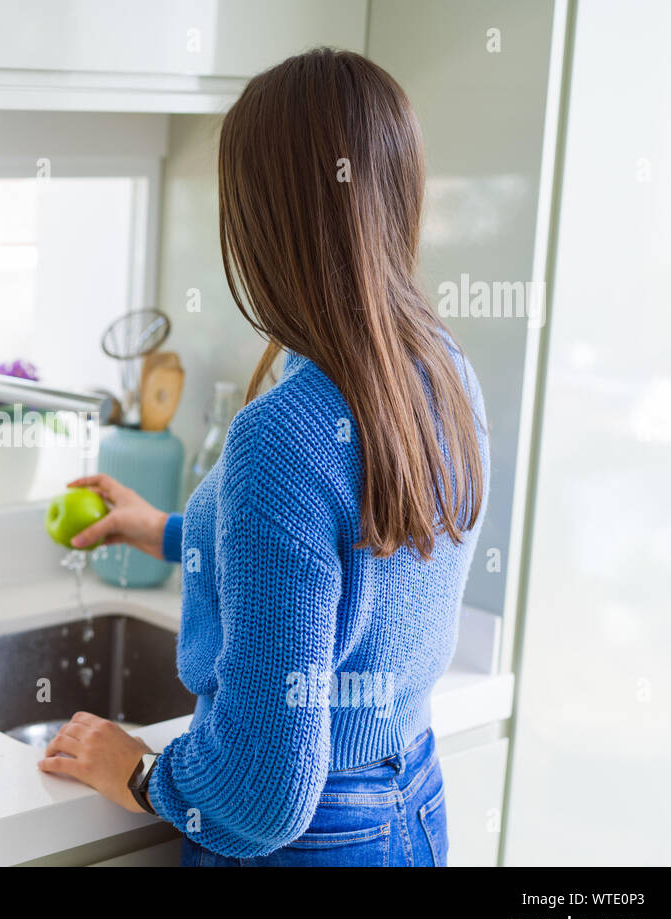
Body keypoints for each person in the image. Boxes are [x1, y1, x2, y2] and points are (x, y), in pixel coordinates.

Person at [36, 47, 490, 867]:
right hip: (408, 805)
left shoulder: (282, 432)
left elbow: (261, 793)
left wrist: (134, 769)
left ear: (258, 221)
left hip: (311, 843)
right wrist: (170, 530)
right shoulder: (441, 370)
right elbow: (354, 547)